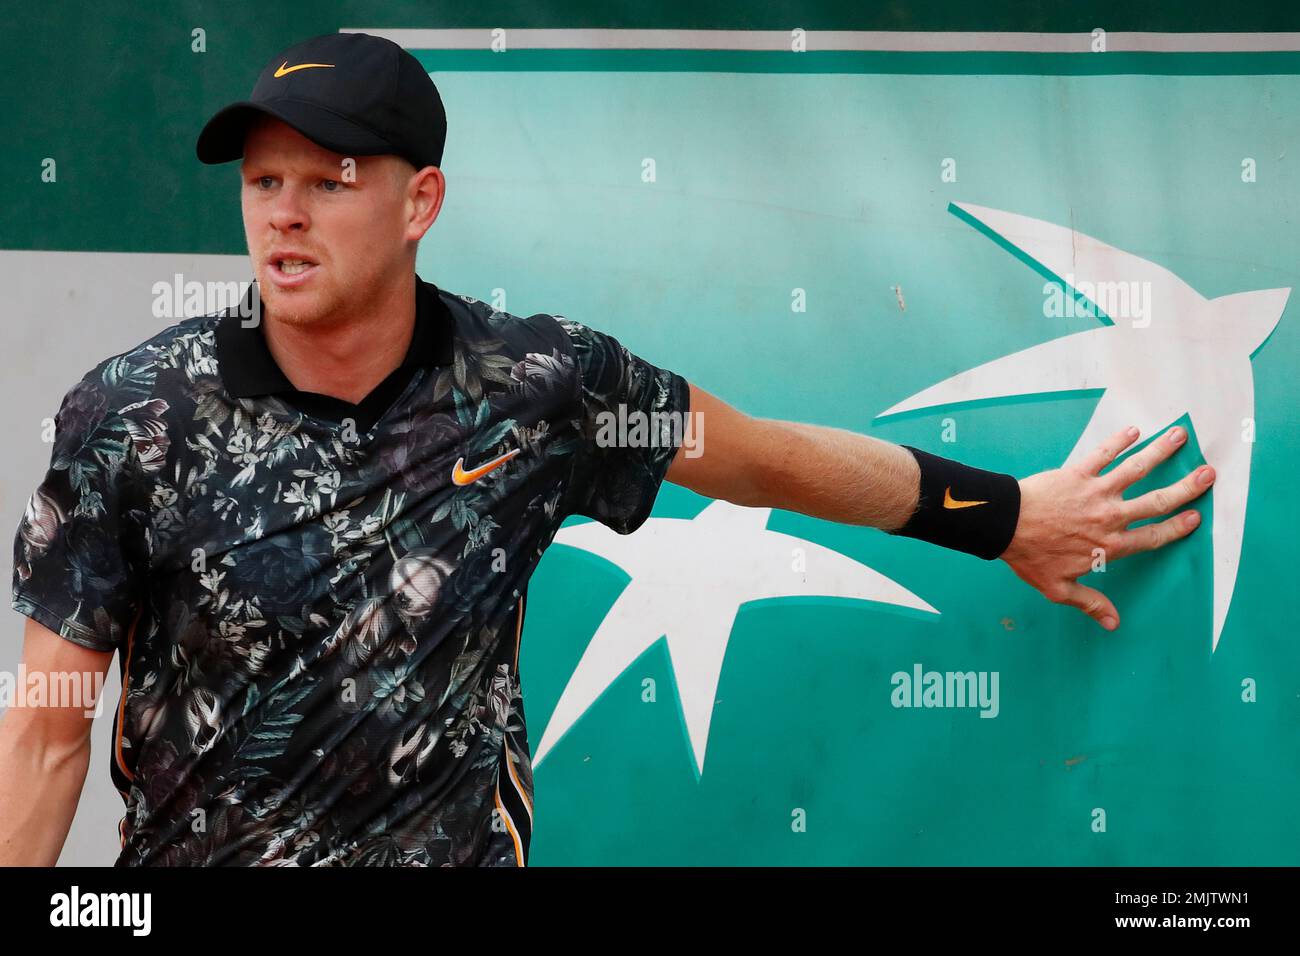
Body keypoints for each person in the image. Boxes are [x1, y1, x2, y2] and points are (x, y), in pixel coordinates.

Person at [0, 32, 1214, 867]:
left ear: (419, 202)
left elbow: (767, 459)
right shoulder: (134, 416)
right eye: (264, 181)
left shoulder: (541, 387)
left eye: (329, 180)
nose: (284, 213)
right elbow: (48, 731)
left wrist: (1001, 515)